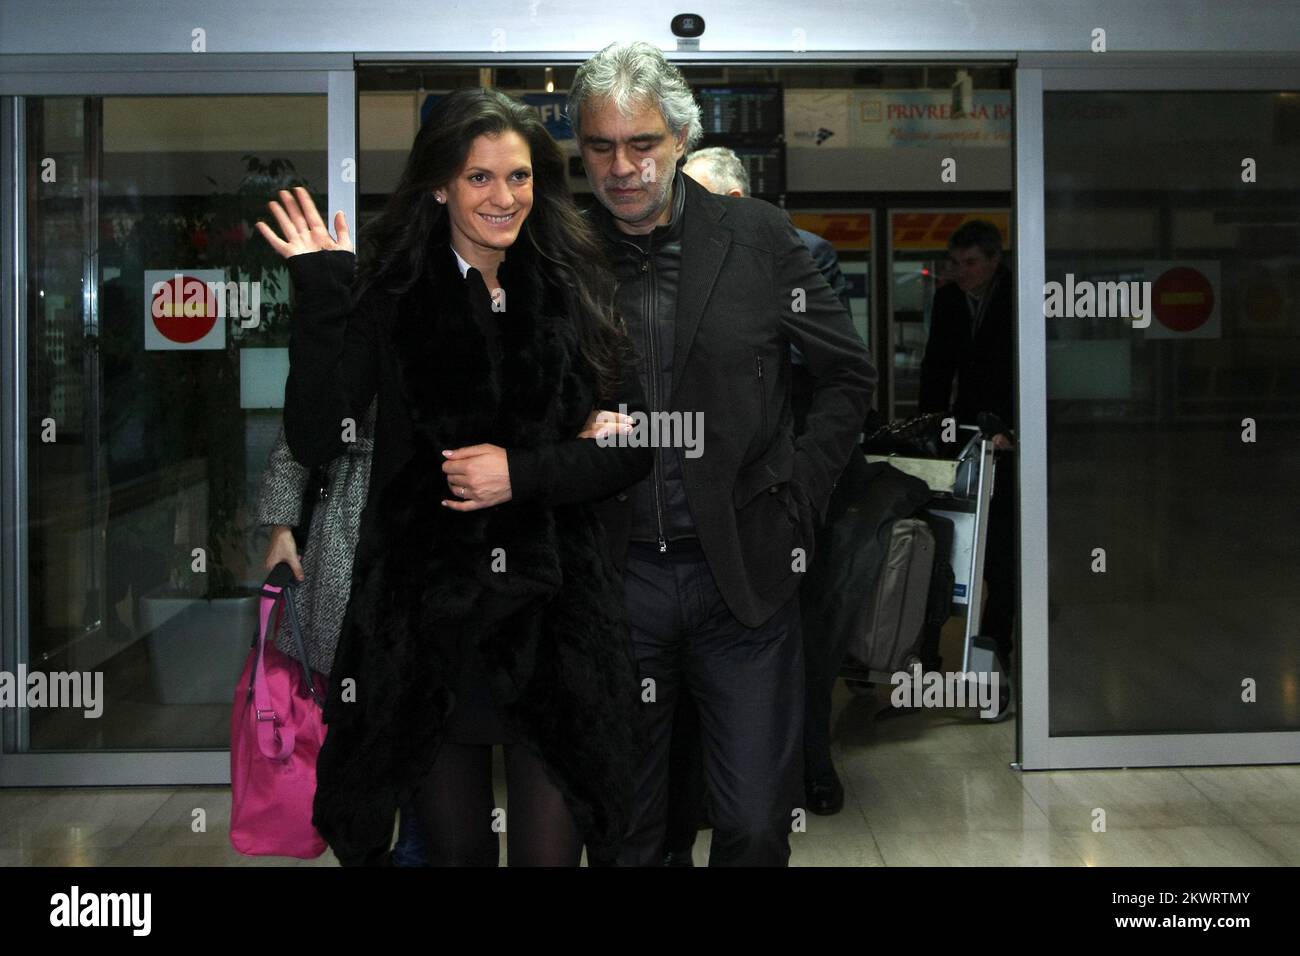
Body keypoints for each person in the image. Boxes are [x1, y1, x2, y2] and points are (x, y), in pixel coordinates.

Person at [257, 87, 653, 866]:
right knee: (457, 854)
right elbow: (316, 434)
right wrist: (322, 290)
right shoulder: (392, 295)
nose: (504, 198)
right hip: (431, 626)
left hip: (555, 623)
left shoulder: (575, 287)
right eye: (479, 178)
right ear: (439, 184)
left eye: (519, 177)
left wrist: (524, 472)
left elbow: (636, 447)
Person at [567, 41, 877, 867]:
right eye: (601, 146)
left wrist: (798, 493)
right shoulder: (558, 250)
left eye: (642, 144)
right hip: (615, 579)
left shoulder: (760, 238)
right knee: (630, 835)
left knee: (749, 824)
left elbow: (848, 378)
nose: (622, 167)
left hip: (742, 574)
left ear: (678, 138)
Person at [648, 146, 865, 864]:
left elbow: (830, 375)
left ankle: (814, 766)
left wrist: (799, 488)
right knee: (651, 804)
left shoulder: (789, 253)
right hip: (654, 554)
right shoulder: (636, 259)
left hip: (766, 520)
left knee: (759, 799)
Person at [917, 219, 1017, 688]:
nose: (962, 272)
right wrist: (931, 428)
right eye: (954, 264)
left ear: (995, 261)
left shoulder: (1016, 295)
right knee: (950, 538)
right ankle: (927, 652)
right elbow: (936, 367)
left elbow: (1027, 365)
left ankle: (999, 650)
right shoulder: (949, 299)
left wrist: (1013, 428)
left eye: (971, 263)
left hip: (1010, 434)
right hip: (965, 429)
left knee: (1001, 551)